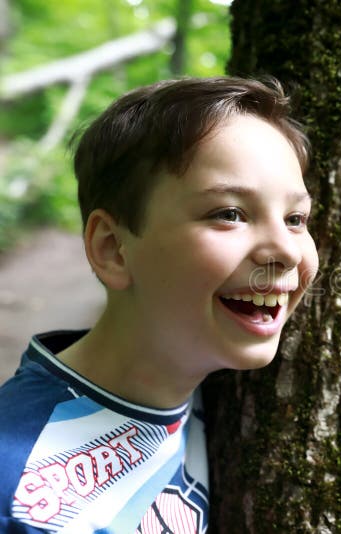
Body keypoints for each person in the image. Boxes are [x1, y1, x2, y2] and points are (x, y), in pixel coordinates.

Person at [0, 76, 319, 533]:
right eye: (229, 213)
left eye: (295, 218)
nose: (287, 251)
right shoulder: (21, 493)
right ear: (112, 248)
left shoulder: (205, 387)